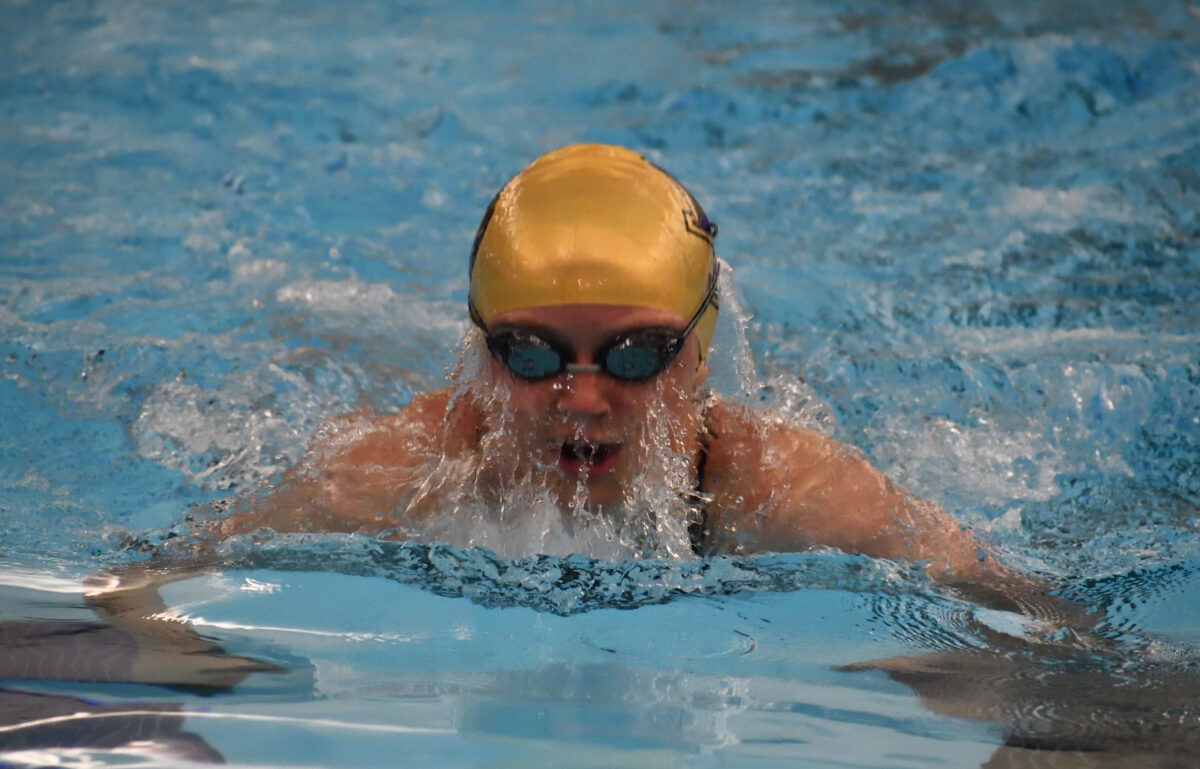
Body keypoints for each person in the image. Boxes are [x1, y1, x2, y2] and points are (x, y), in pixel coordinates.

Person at [213, 143, 1005, 582]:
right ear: (479, 353)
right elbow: (168, 592)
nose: (583, 397)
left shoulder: (791, 492)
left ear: (699, 355)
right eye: (530, 352)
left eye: (636, 354)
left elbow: (1014, 624)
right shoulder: (397, 474)